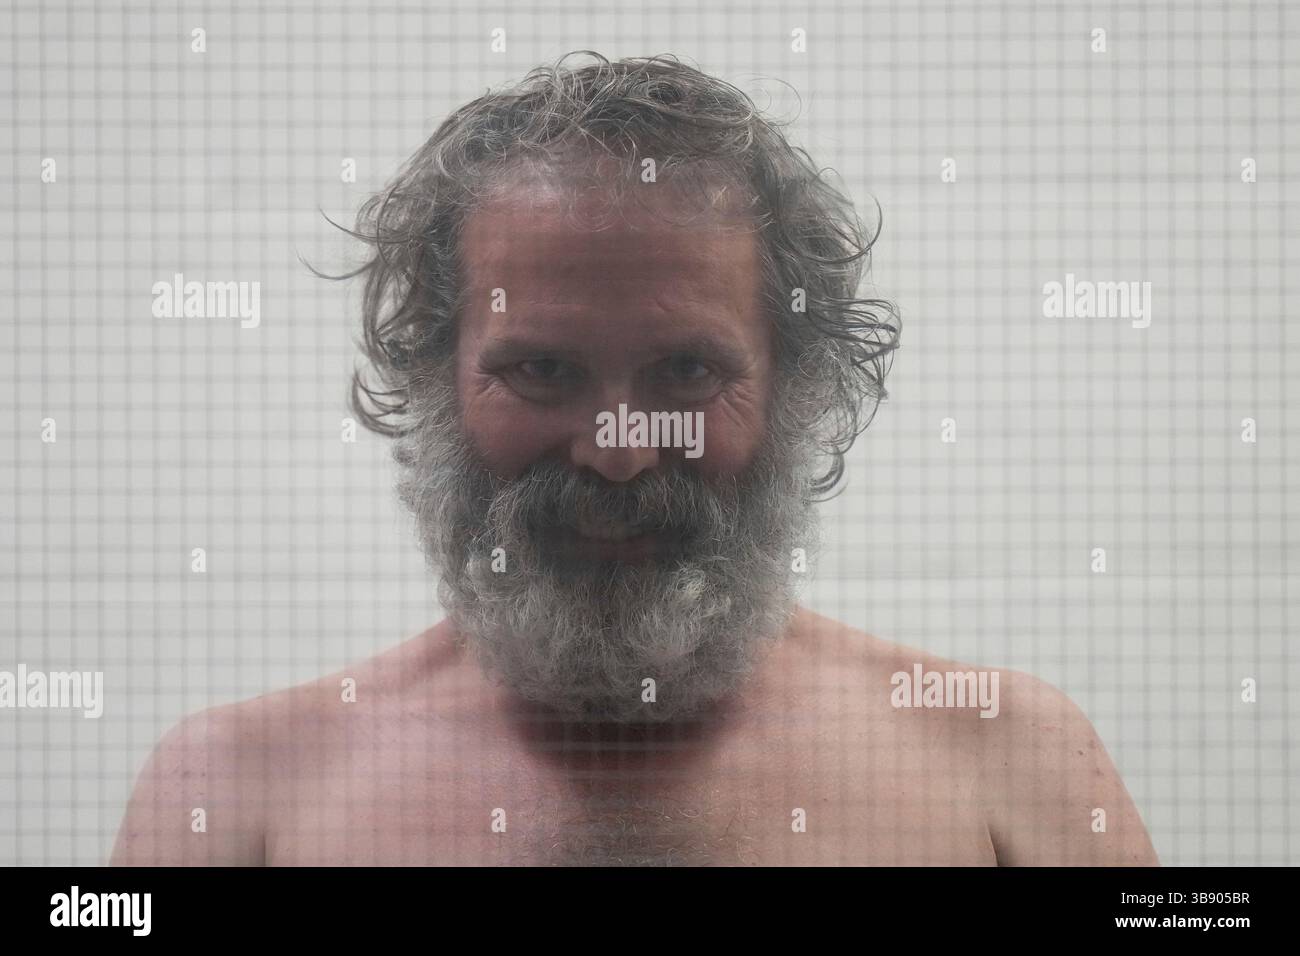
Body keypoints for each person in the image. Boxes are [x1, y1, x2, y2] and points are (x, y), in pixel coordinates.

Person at [111, 52, 1158, 866]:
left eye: (686, 371)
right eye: (542, 370)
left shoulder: (1008, 754)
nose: (615, 451)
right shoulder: (233, 791)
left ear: (793, 385)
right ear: (437, 380)